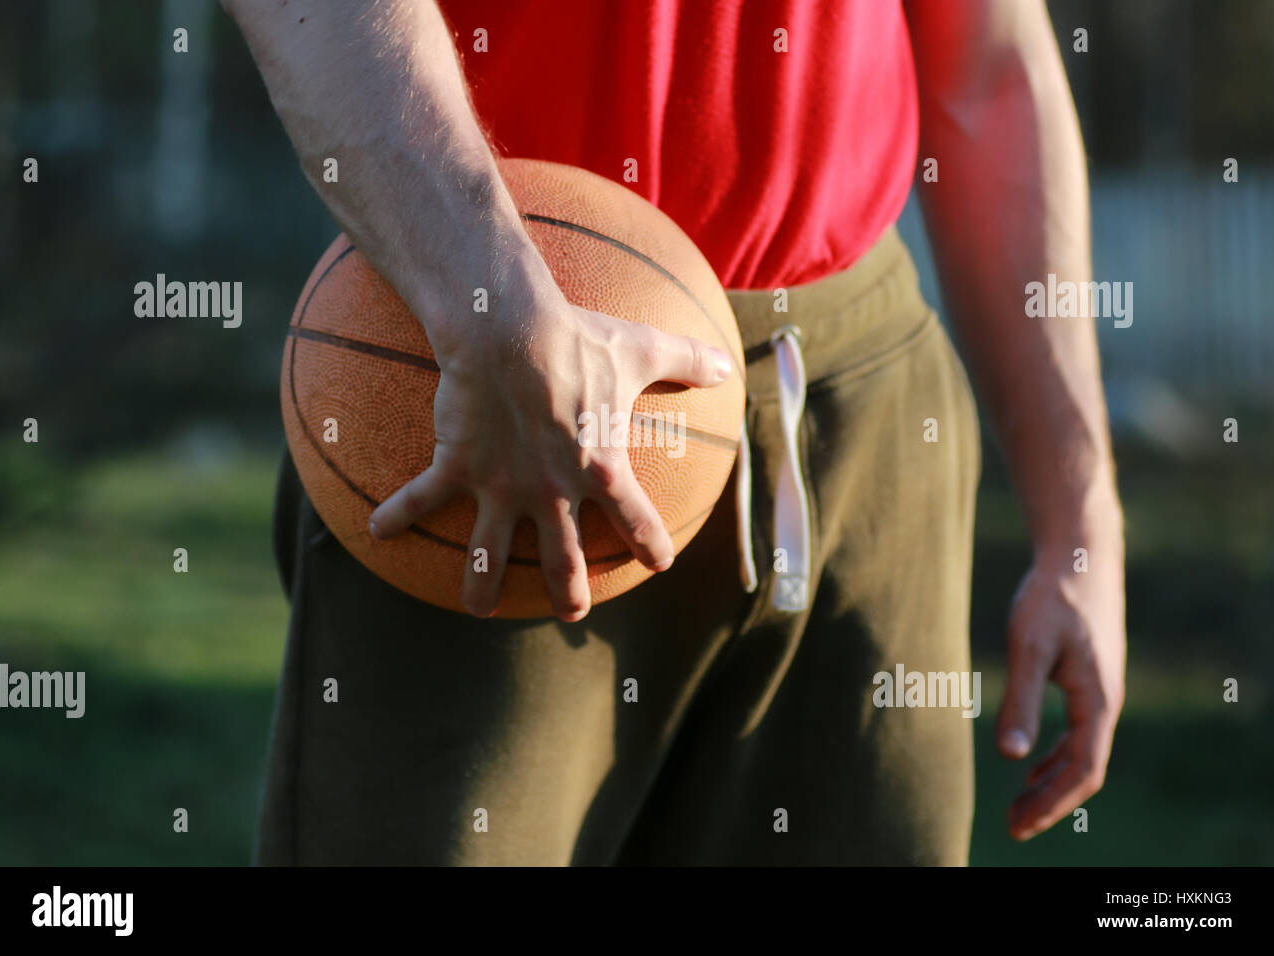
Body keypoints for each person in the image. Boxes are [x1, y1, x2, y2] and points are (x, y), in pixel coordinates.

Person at [223, 0, 1126, 865]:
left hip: (858, 392)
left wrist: (1081, 527)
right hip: (491, 404)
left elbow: (989, 66)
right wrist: (489, 308)